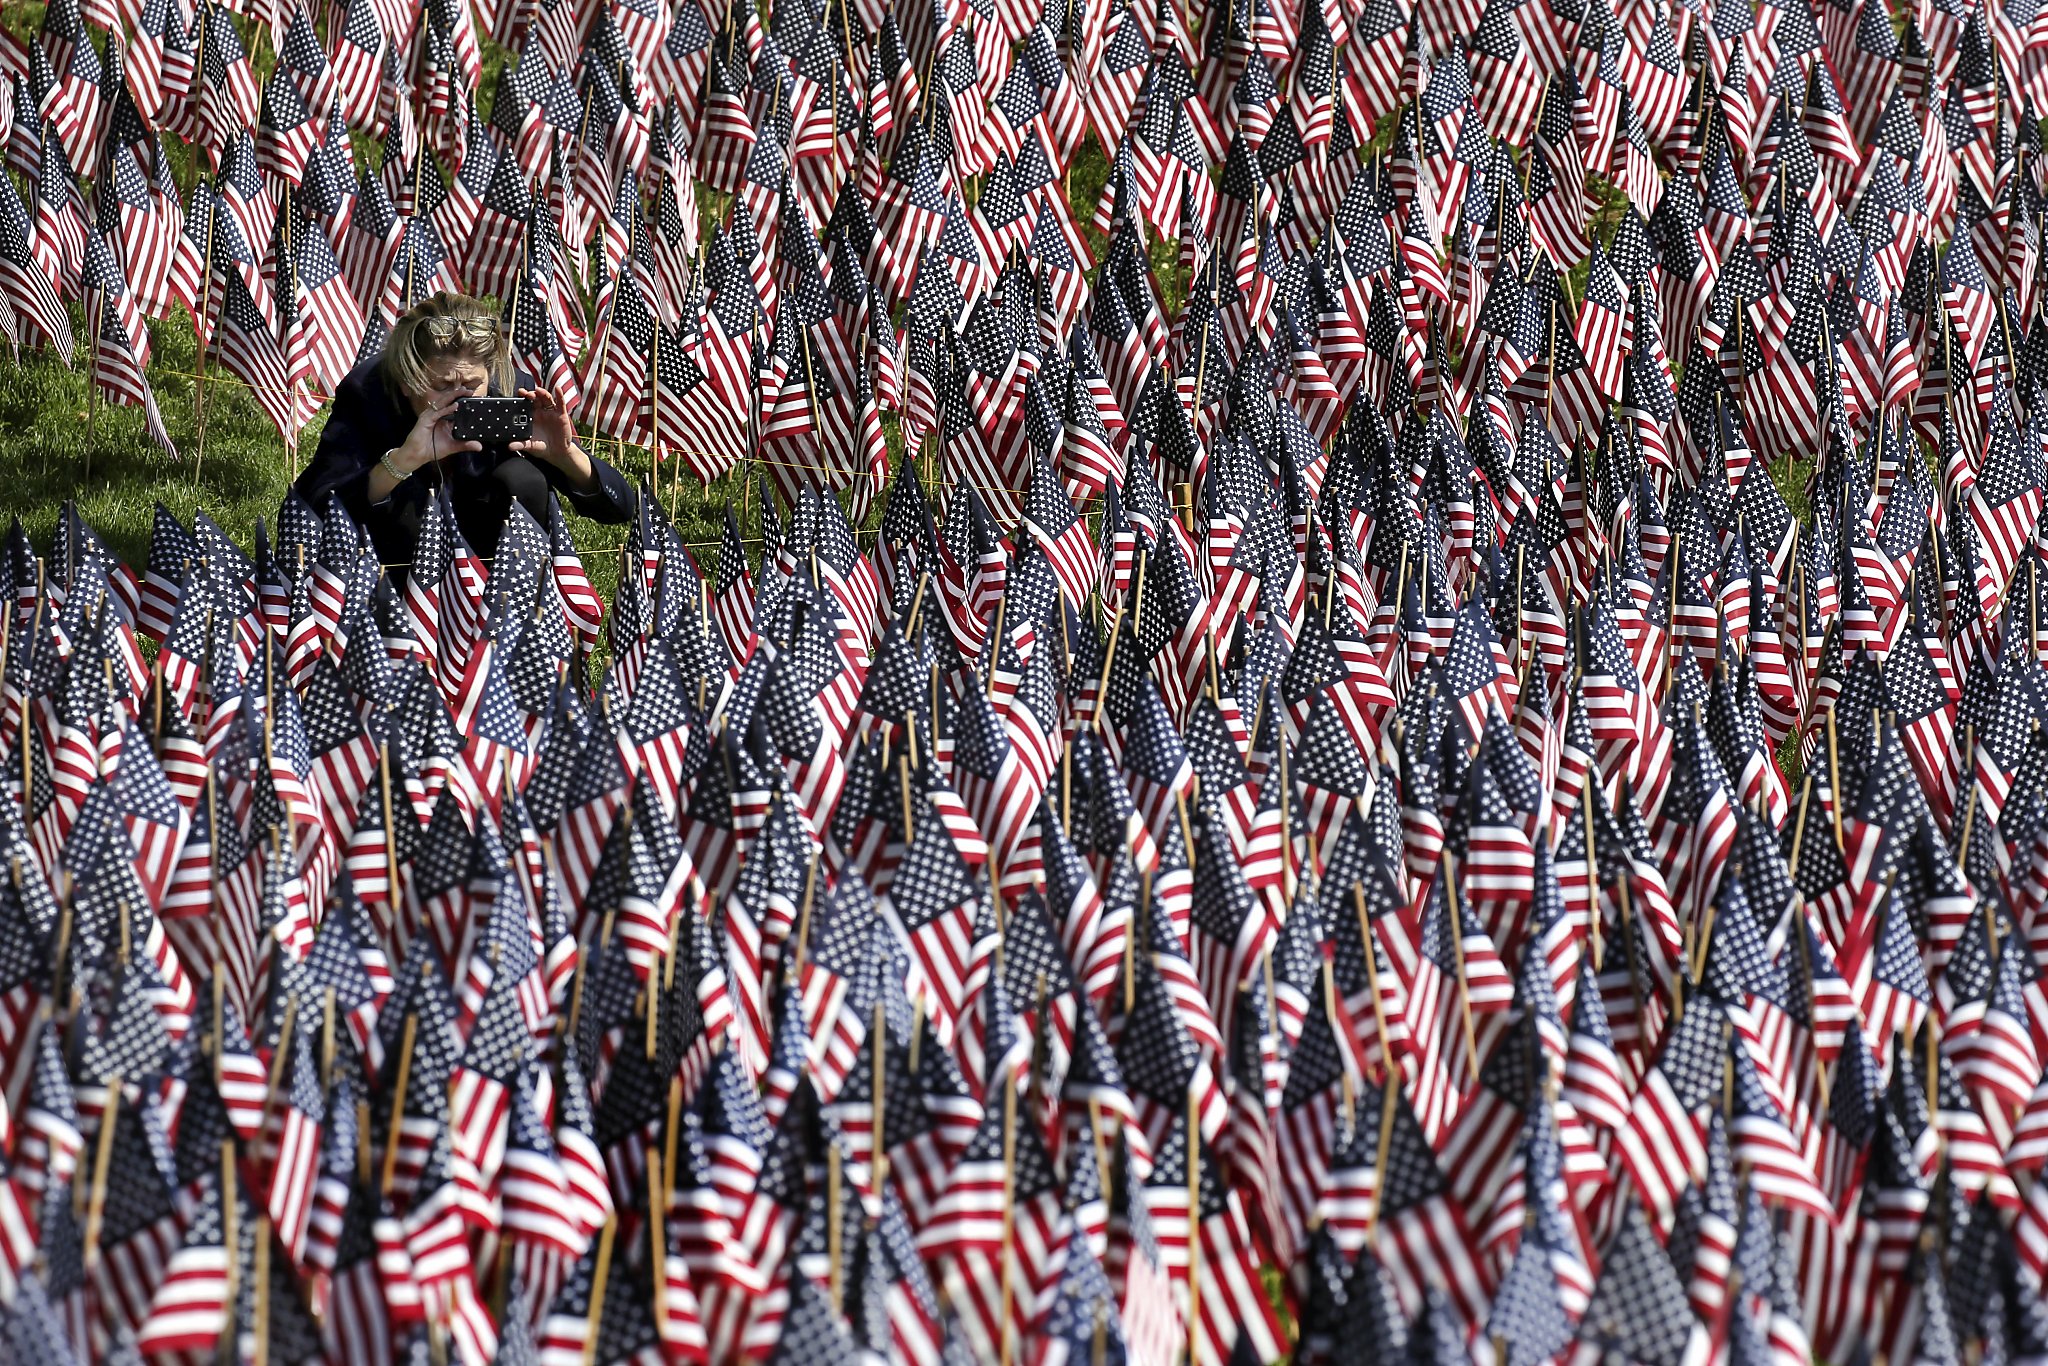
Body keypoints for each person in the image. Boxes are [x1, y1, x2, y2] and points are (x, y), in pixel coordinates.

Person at [295, 292, 635, 568]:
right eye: (443, 384)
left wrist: (566, 455)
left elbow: (620, 509)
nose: (459, 397)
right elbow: (316, 505)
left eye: (472, 384)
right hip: (392, 555)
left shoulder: (510, 391)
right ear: (406, 383)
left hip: (483, 537)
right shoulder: (368, 393)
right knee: (412, 496)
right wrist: (401, 463)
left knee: (523, 479)